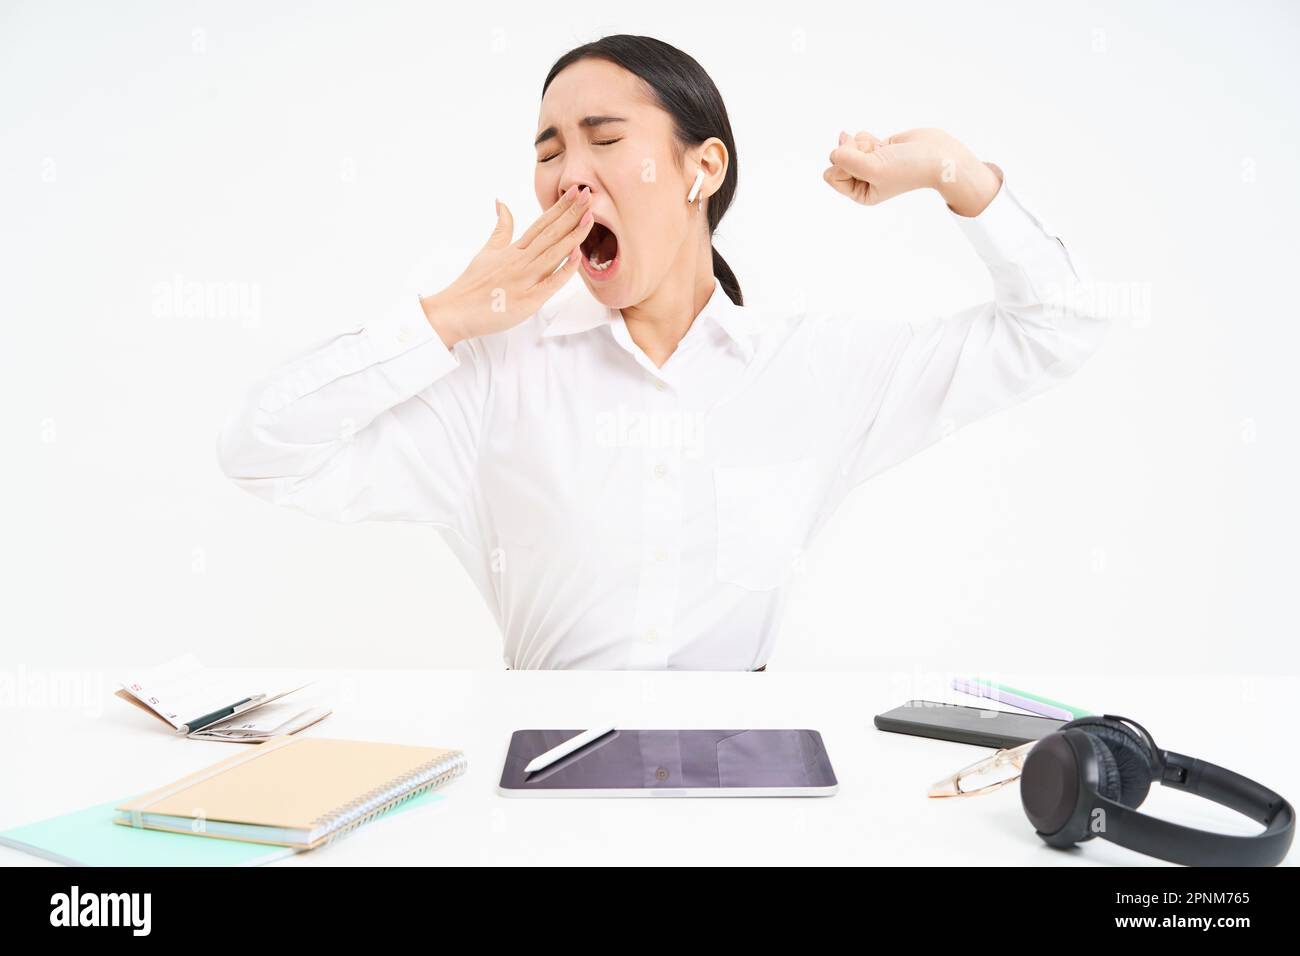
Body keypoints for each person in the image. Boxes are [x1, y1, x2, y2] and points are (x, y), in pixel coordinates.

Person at [217, 35, 1108, 671]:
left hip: (743, 792)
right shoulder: (493, 377)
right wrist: (447, 316)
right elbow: (261, 450)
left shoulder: (814, 372)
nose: (569, 173)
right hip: (537, 787)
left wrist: (957, 171)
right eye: (550, 150)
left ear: (701, 168)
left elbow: (1056, 326)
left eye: (605, 140)